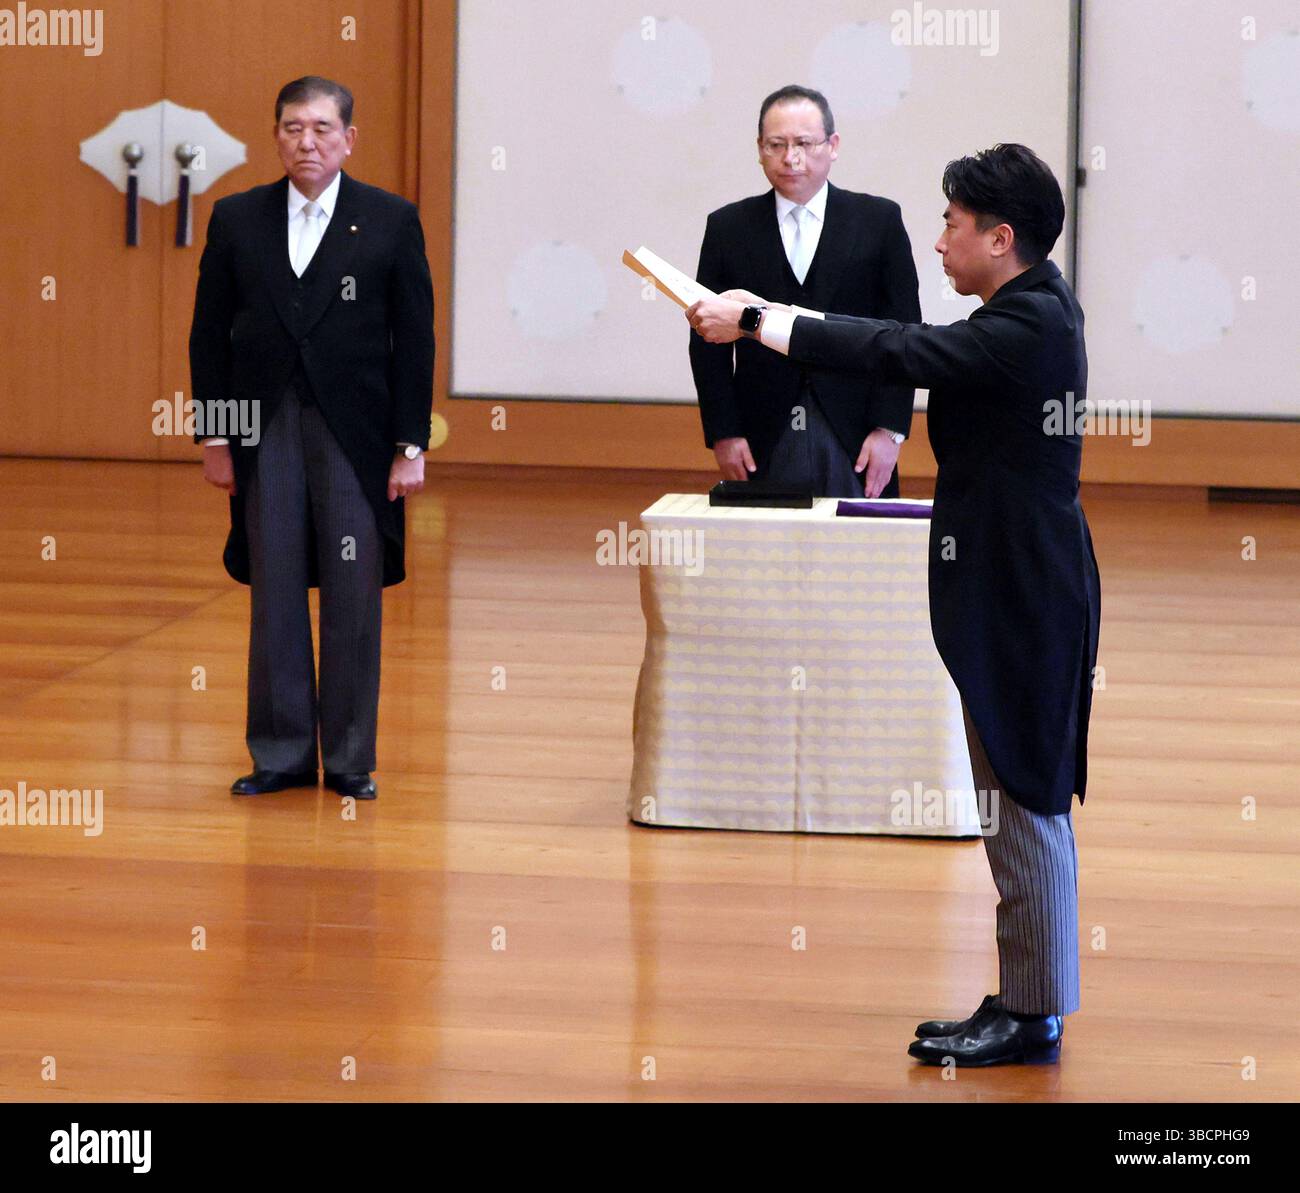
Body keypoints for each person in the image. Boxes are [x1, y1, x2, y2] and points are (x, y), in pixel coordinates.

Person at [686, 143, 1101, 1066]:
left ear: (1001, 237)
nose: (941, 239)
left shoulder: (1025, 322)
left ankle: (1034, 1014)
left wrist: (760, 320)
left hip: (1023, 584)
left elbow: (897, 346)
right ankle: (1029, 992)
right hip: (1012, 572)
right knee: (1011, 787)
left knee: (1023, 790)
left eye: (954, 224)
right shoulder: (1027, 303)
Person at [190, 75, 434, 801]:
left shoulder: (388, 219)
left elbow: (413, 340)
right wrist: (216, 436)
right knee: (275, 587)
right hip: (264, 428)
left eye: (323, 128)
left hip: (354, 435)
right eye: (294, 127)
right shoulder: (238, 219)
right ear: (276, 136)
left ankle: (352, 756)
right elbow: (210, 338)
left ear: (349, 139)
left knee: (354, 591)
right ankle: (281, 753)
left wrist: (409, 445)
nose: (308, 141)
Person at [689, 85, 921, 497]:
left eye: (804, 143)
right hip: (762, 434)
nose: (790, 158)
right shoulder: (728, 228)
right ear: (759, 148)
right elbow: (707, 340)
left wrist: (890, 429)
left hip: (857, 431)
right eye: (776, 144)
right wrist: (724, 432)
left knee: (859, 554)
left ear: (833, 146)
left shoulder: (878, 221)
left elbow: (904, 330)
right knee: (765, 556)